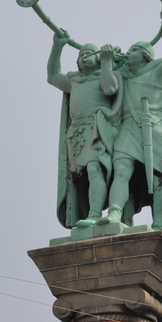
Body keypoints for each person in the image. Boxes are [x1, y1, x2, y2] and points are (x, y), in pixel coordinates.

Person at [106, 4, 162, 233]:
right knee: (121, 169)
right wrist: (106, 59)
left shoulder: (159, 69)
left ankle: (158, 224)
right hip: (128, 128)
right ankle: (114, 211)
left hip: (154, 127)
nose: (127, 53)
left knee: (157, 177)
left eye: (132, 50)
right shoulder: (121, 76)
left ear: (144, 55)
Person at [48, 33, 120, 228]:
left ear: (97, 58)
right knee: (80, 179)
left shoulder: (104, 75)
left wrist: (106, 62)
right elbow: (53, 76)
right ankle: (84, 214)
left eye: (89, 53)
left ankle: (95, 214)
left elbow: (110, 89)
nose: (84, 57)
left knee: (95, 168)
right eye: (81, 55)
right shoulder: (74, 80)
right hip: (76, 133)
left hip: (96, 128)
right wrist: (57, 47)